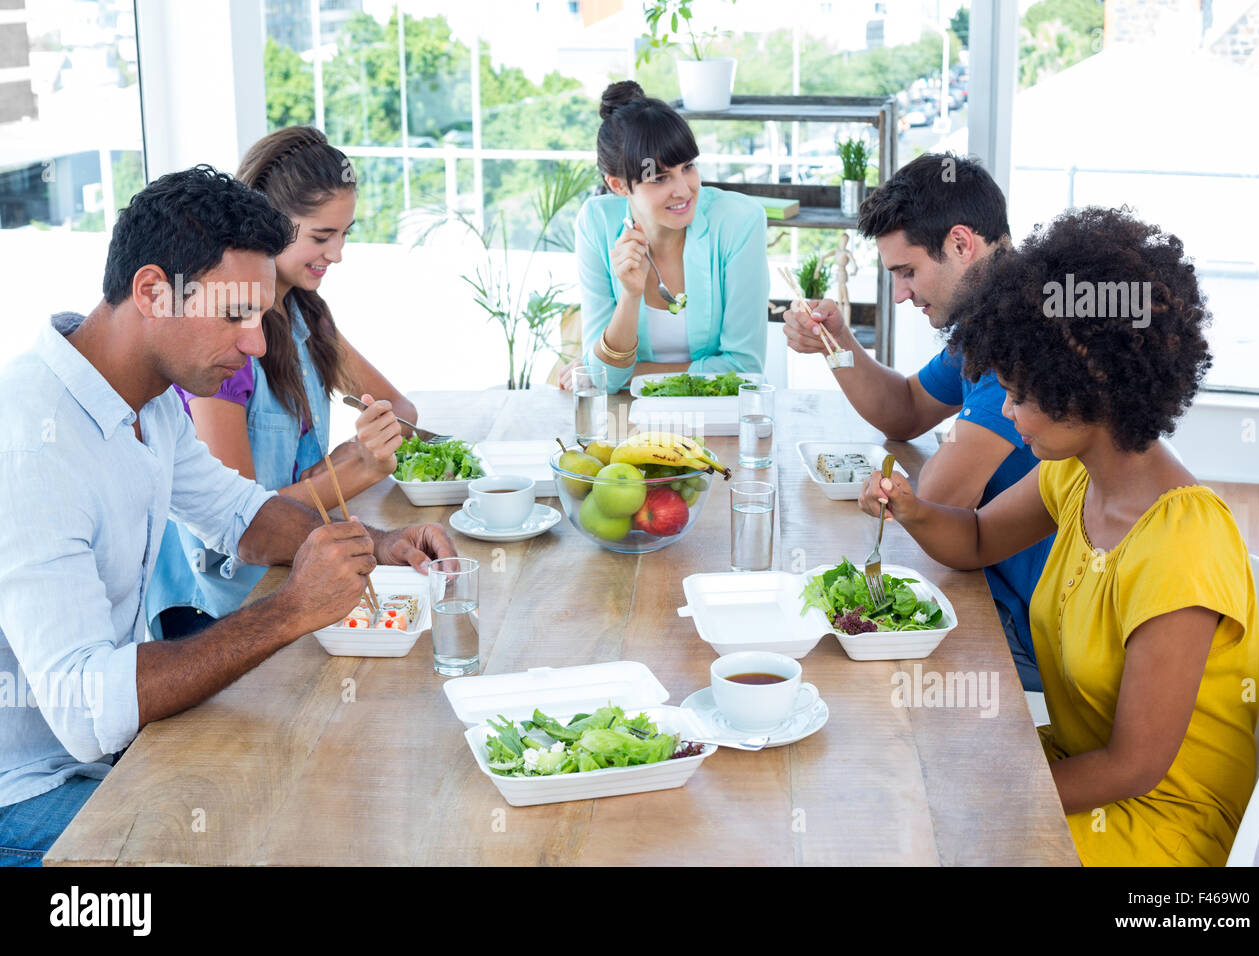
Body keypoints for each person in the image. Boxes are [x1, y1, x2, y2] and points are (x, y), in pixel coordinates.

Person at [0, 166, 455, 865]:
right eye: (236, 315)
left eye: (261, 317)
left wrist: (378, 544)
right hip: (26, 790)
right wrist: (290, 611)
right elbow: (88, 708)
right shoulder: (30, 445)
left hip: (99, 754)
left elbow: (239, 514)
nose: (257, 345)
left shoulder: (148, 398)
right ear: (152, 291)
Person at [861, 206, 1259, 866]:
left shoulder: (1184, 545)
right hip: (1081, 775)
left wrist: (983, 791)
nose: (1008, 414)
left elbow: (1133, 768)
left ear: (1089, 385)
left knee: (924, 831)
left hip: (1157, 827)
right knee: (897, 769)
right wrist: (912, 508)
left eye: (1020, 395)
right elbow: (982, 540)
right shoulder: (1074, 477)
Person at [783, 152, 1052, 692]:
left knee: (831, 673)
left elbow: (938, 500)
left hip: (1027, 633)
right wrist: (836, 344)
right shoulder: (990, 318)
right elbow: (905, 410)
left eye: (908, 272)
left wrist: (918, 483)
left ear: (960, 243)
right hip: (983, 578)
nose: (901, 293)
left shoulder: (1024, 345)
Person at [146, 126, 418, 641]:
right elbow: (238, 522)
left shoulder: (307, 316)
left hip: (290, 572)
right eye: (321, 236)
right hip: (217, 611)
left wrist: (341, 462)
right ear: (269, 225)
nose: (337, 253)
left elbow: (399, 410)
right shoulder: (224, 348)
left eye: (345, 234)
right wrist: (351, 470)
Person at [559, 80, 770, 393]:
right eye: (659, 178)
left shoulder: (739, 222)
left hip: (716, 415)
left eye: (687, 167)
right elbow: (604, 376)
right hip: (629, 421)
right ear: (618, 185)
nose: (684, 190)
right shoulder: (596, 223)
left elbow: (742, 370)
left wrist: (630, 374)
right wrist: (630, 295)